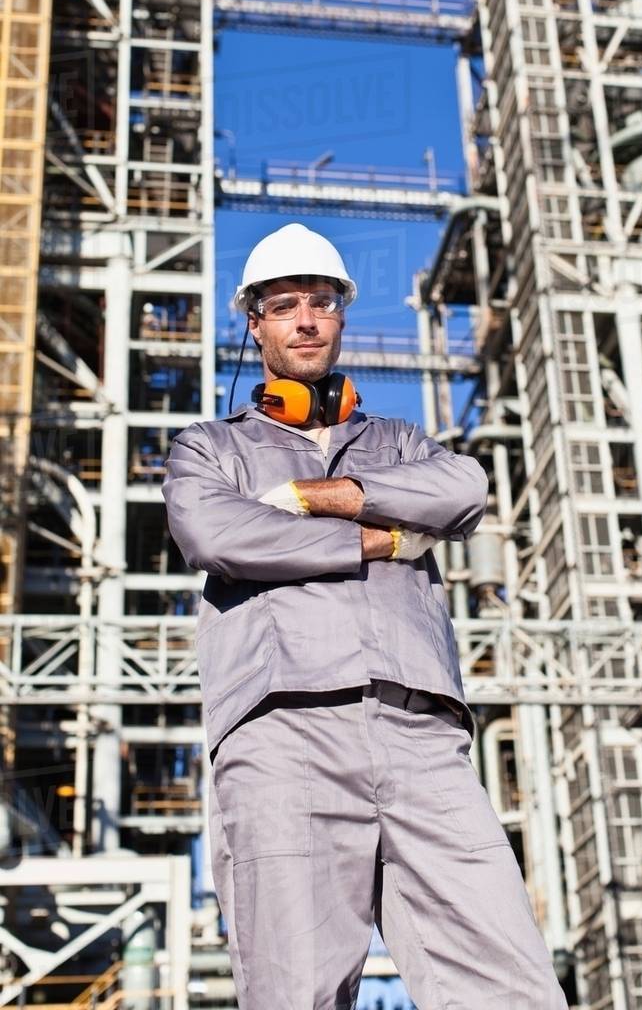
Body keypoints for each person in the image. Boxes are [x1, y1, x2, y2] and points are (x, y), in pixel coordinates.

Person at [161, 221, 568, 1010]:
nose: (306, 320)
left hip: (421, 735)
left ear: (342, 317)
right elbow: (218, 532)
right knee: (297, 991)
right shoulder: (209, 449)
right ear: (256, 324)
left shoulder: (400, 440)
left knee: (512, 985)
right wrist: (382, 540)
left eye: (321, 302)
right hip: (284, 733)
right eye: (285, 307)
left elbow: (463, 492)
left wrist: (331, 497)